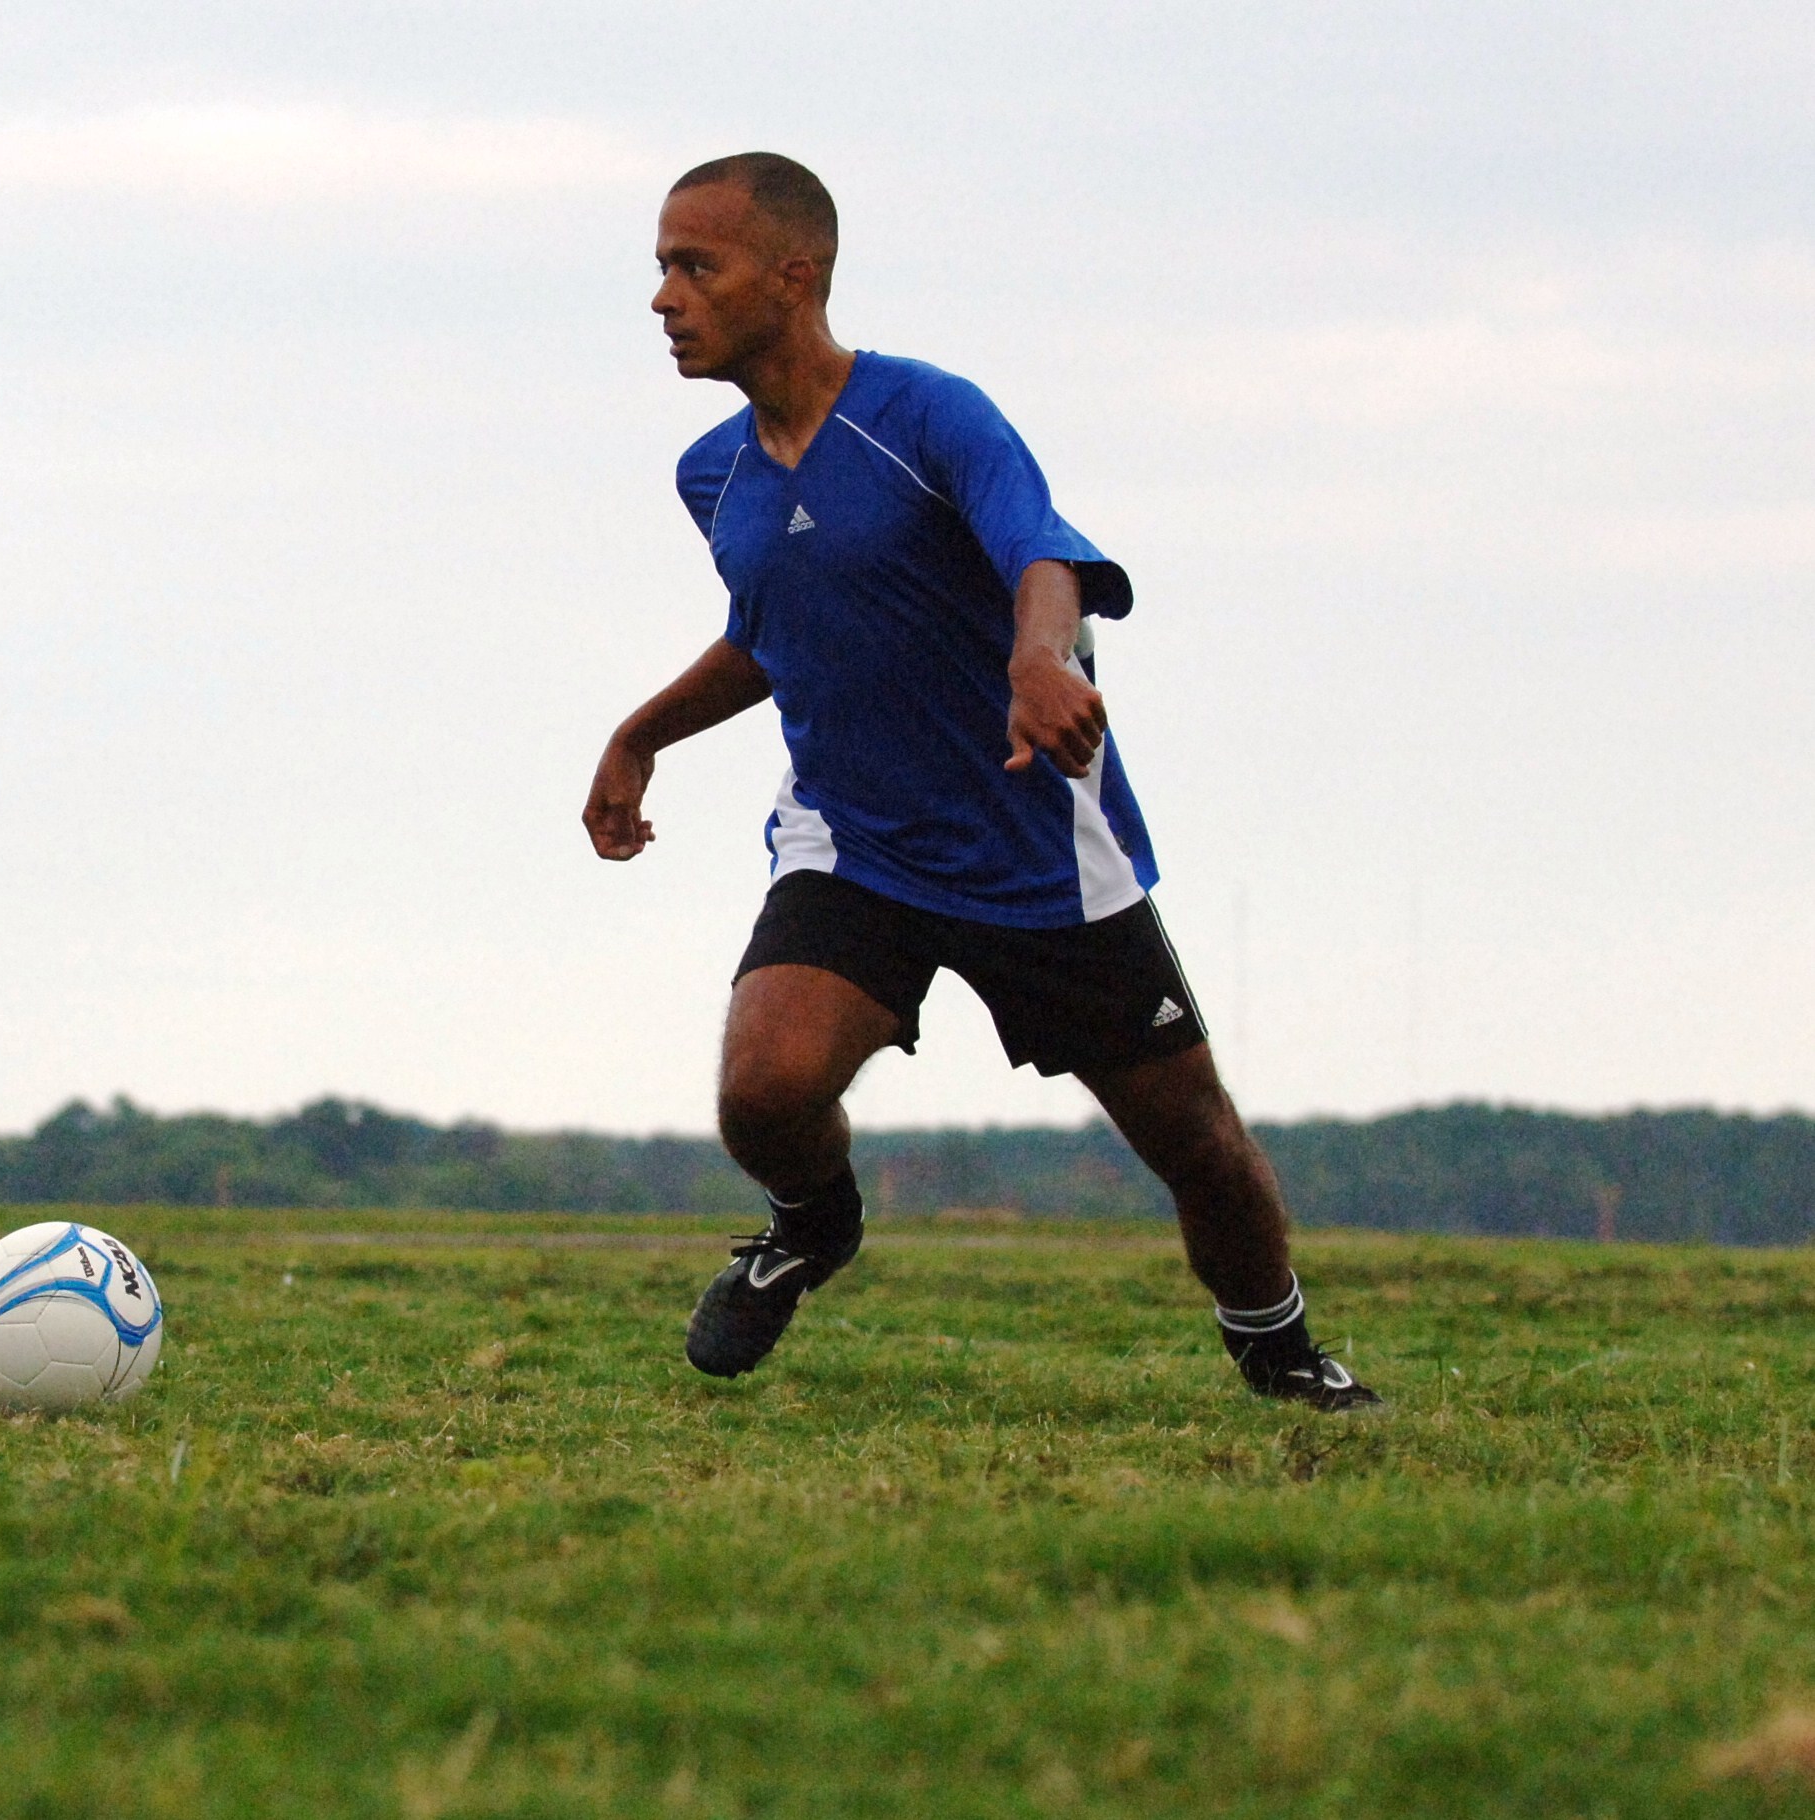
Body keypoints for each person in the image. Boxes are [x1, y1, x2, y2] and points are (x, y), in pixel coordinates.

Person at [582, 152, 1377, 1410]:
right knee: (764, 1089)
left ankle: (1279, 1350)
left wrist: (1037, 655)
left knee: (1200, 1146)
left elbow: (1042, 552)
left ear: (796, 276)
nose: (665, 297)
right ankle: (810, 1222)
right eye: (661, 267)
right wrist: (642, 732)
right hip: (856, 842)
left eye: (697, 265)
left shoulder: (930, 417)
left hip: (1033, 848)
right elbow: (777, 627)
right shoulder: (712, 475)